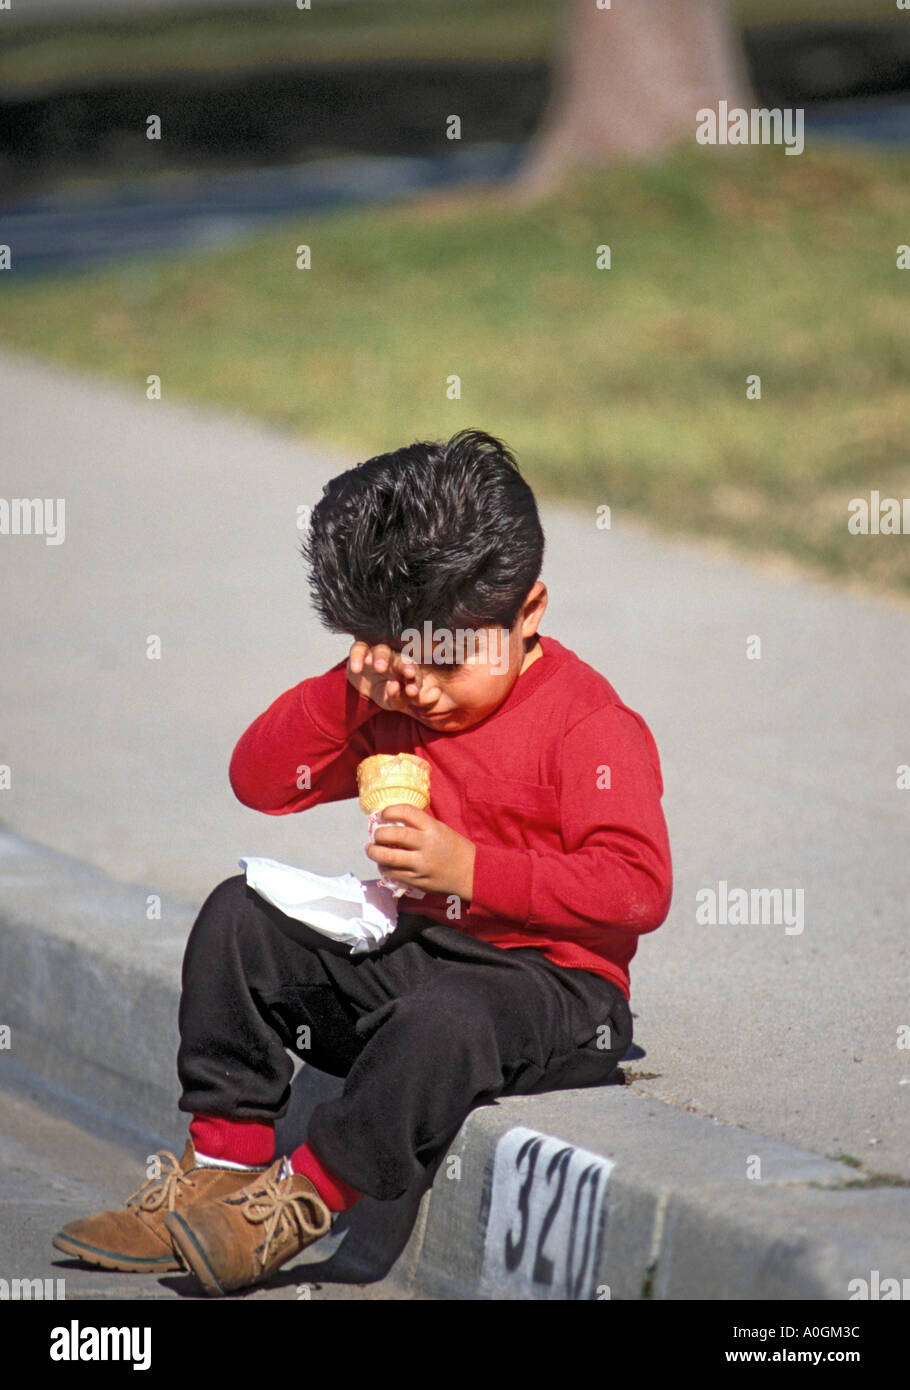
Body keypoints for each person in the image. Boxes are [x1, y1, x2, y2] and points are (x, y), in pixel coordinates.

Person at [53, 427, 672, 1296]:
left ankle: (303, 1197)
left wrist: (469, 869)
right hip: (420, 955)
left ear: (527, 613)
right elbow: (259, 780)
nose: (415, 687)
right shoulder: (390, 699)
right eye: (392, 660)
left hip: (553, 991)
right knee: (239, 916)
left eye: (443, 661)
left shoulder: (589, 726)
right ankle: (219, 1170)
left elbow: (637, 888)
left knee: (446, 1020)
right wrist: (349, 693)